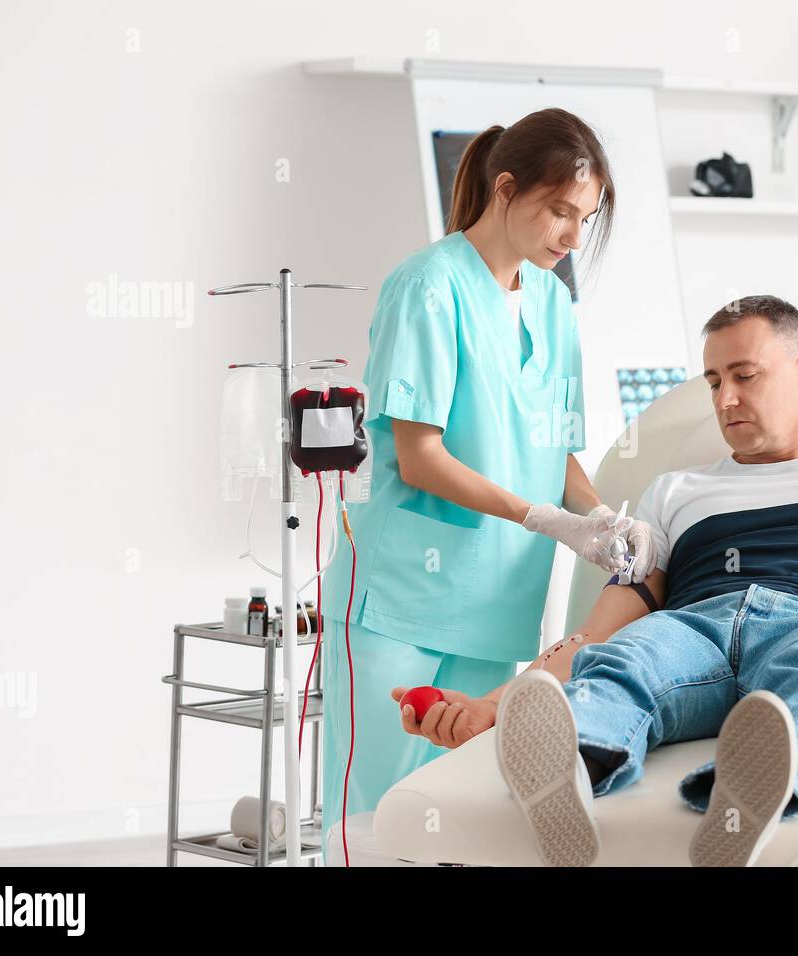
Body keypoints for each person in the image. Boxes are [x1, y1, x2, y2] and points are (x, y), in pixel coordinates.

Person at [396, 294, 798, 866]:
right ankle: (569, 774)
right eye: (714, 382)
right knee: (624, 666)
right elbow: (594, 637)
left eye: (745, 376)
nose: (724, 400)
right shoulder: (675, 491)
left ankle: (741, 798)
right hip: (692, 626)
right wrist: (493, 708)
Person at [318, 108, 657, 862]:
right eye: (560, 211)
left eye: (585, 218)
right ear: (506, 188)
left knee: (457, 817)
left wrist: (598, 515)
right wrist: (541, 517)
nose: (572, 236)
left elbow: (555, 447)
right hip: (404, 597)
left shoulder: (553, 303)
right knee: (375, 816)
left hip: (498, 602)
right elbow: (419, 456)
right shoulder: (429, 287)